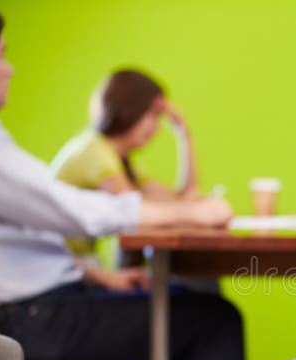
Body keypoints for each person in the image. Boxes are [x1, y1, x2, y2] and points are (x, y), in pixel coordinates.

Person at [0, 9, 248, 360]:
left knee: (192, 307)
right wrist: (191, 212)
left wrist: (97, 275)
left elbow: (32, 233)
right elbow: (77, 212)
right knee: (210, 321)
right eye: (0, 57)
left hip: (49, 302)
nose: (10, 68)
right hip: (35, 317)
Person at [50, 68, 201, 260]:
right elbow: (137, 213)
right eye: (154, 115)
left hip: (81, 268)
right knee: (195, 284)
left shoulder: (122, 162)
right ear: (130, 108)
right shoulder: (95, 151)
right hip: (65, 270)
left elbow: (186, 199)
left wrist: (185, 135)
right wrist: (195, 213)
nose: (157, 128)